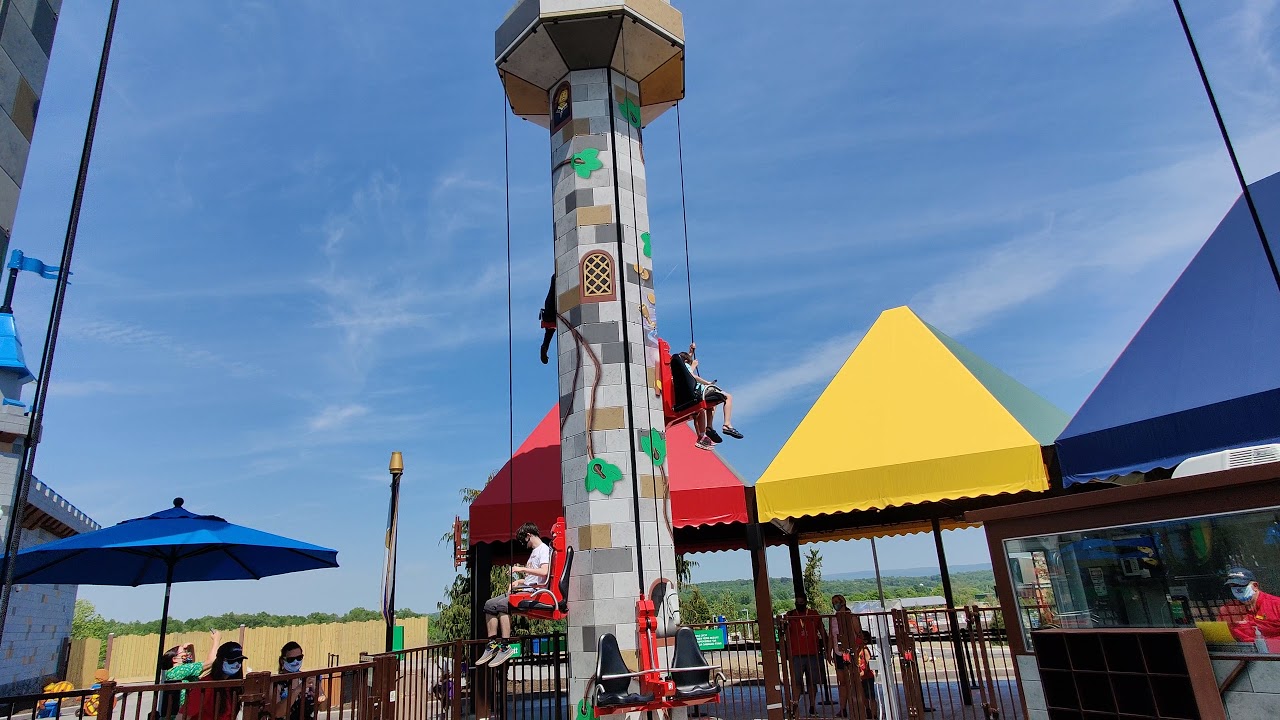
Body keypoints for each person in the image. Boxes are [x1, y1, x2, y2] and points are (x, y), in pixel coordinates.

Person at [477, 522, 551, 667]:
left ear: (529, 535)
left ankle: (505, 645)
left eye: (524, 539)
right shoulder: (534, 553)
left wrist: (519, 568)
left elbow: (544, 572)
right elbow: (533, 577)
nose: (524, 543)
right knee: (489, 605)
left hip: (534, 592)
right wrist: (519, 581)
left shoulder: (543, 550)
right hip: (526, 588)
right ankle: (492, 643)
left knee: (503, 605)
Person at [675, 344, 743, 450]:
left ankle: (709, 428)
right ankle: (727, 424)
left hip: (693, 394)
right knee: (728, 397)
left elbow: (684, 364)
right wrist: (707, 382)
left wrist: (690, 353)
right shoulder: (686, 367)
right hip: (700, 392)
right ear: (686, 362)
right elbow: (691, 375)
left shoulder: (677, 371)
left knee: (711, 405)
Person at [179, 641, 246, 720]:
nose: (237, 664)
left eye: (239, 660)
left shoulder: (234, 687)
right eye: (231, 660)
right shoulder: (206, 685)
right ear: (221, 660)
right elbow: (184, 715)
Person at [784, 596, 824, 716]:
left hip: (813, 653)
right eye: (797, 602)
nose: (799, 604)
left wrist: (826, 646)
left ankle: (812, 706)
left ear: (805, 602)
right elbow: (784, 632)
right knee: (797, 682)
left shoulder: (813, 614)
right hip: (796, 654)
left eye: (801, 602)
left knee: (812, 682)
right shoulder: (790, 615)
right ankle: (794, 707)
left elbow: (821, 630)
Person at [828, 594, 866, 719]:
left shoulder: (852, 617)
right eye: (833, 602)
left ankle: (861, 707)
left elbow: (859, 634)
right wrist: (830, 652)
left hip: (851, 652)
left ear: (843, 602)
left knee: (855, 681)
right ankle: (843, 708)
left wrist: (858, 650)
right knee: (842, 682)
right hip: (839, 653)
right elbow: (831, 637)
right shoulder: (833, 618)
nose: (835, 604)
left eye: (837, 602)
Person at [1221, 567, 1280, 644]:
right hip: (1245, 652)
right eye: (1233, 586)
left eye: (1241, 585)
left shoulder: (1276, 605)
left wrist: (1269, 643)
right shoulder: (1228, 610)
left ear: (1255, 586)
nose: (1237, 589)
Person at [273, 642, 327, 720]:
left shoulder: (309, 679)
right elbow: (277, 713)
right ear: (282, 661)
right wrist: (297, 690)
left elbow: (323, 708)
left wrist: (319, 694)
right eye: (291, 659)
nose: (296, 662)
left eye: (299, 658)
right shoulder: (277, 683)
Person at [858, 630, 879, 719]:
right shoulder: (857, 649)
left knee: (871, 696)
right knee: (863, 696)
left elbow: (868, 663)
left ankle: (874, 714)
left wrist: (864, 671)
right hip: (860, 677)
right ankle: (868, 710)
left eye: (860, 636)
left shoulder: (865, 649)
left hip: (867, 676)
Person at [538, 275, 557, 365]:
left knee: (548, 334)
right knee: (549, 333)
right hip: (551, 311)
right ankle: (544, 347)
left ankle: (544, 347)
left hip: (549, 314)